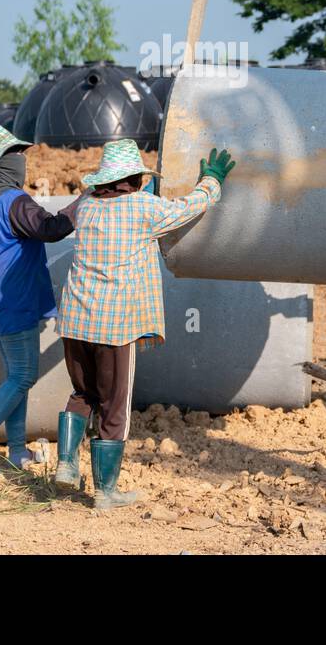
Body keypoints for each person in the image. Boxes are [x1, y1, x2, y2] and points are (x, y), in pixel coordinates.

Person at [53, 139, 234, 510]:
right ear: (136, 179)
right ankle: (106, 492)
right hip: (114, 326)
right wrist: (211, 180)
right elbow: (190, 208)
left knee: (83, 395)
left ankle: (66, 464)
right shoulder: (144, 208)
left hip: (74, 321)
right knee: (114, 405)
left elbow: (89, 210)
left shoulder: (86, 207)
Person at [0, 125, 81, 475]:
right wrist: (84, 201)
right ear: (3, 164)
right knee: (23, 376)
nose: (23, 161)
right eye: (17, 155)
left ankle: (17, 449)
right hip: (15, 301)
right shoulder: (13, 201)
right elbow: (51, 229)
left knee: (15, 375)